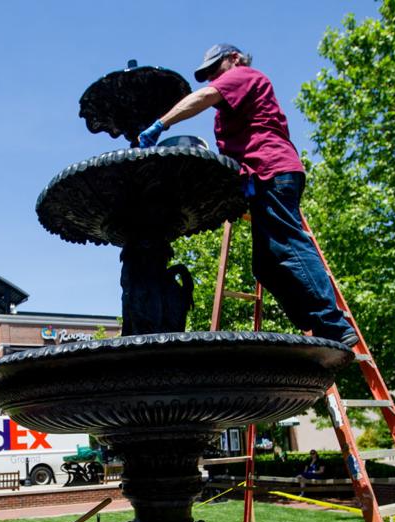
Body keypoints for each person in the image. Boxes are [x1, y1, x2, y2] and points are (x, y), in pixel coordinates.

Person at [137, 44, 357, 346]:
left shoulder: (244, 76)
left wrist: (162, 123)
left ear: (235, 58)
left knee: (288, 246)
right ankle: (316, 323)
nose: (212, 77)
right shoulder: (234, 105)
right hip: (262, 176)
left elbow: (202, 97)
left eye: (216, 68)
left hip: (272, 170)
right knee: (264, 265)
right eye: (208, 74)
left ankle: (331, 322)